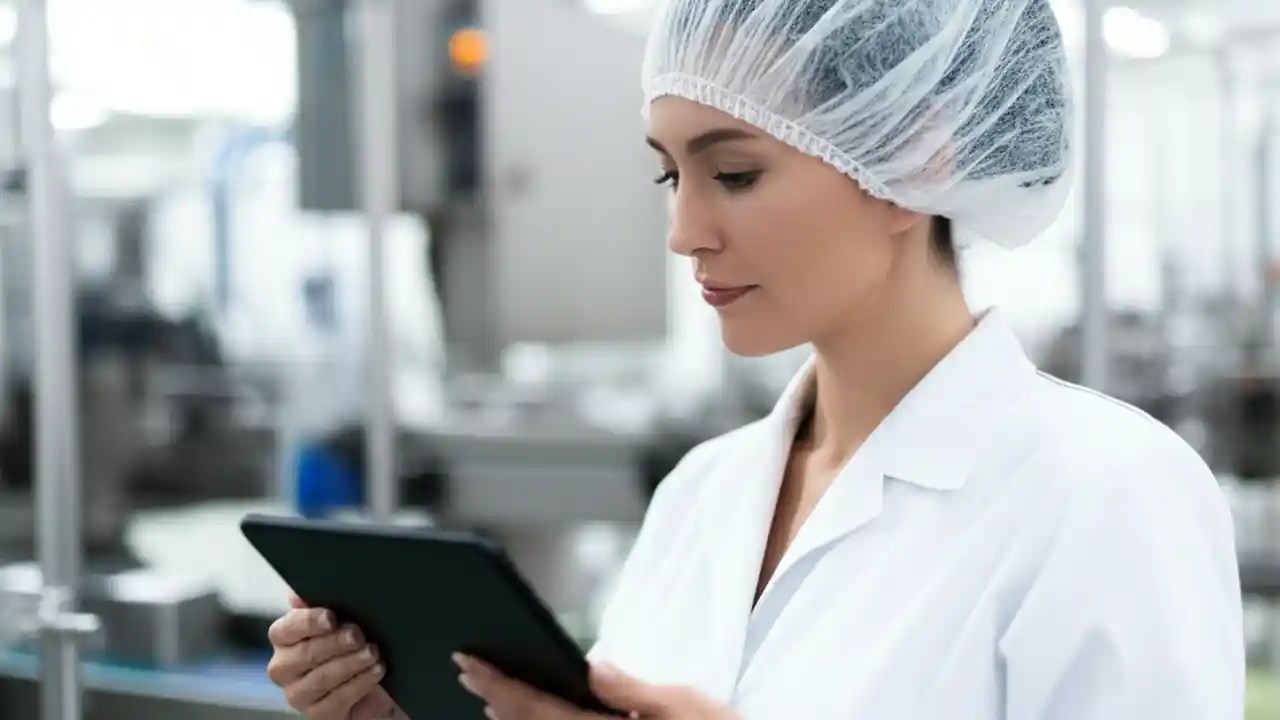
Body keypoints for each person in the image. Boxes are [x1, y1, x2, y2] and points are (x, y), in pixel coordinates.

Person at [265, 0, 1245, 717]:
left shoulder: (1105, 491)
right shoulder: (705, 491)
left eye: (733, 173)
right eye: (667, 171)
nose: (683, 231)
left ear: (917, 160)